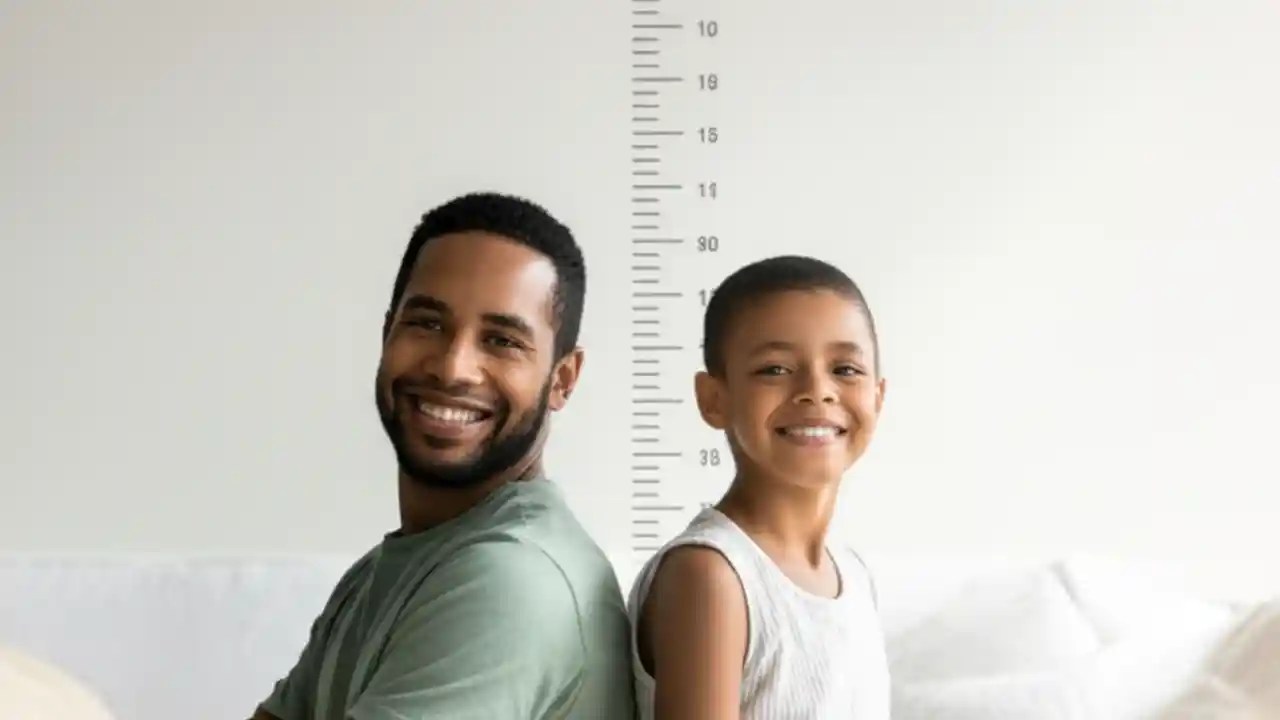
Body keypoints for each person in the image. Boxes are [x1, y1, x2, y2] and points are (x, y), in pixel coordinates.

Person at [253, 192, 635, 720]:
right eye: (427, 324)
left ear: (562, 379)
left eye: (501, 340)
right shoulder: (386, 571)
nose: (453, 368)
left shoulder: (513, 578)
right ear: (388, 332)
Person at [627, 255, 892, 719]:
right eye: (775, 369)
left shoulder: (855, 576)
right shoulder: (712, 576)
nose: (817, 390)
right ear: (713, 400)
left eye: (846, 370)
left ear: (878, 395)